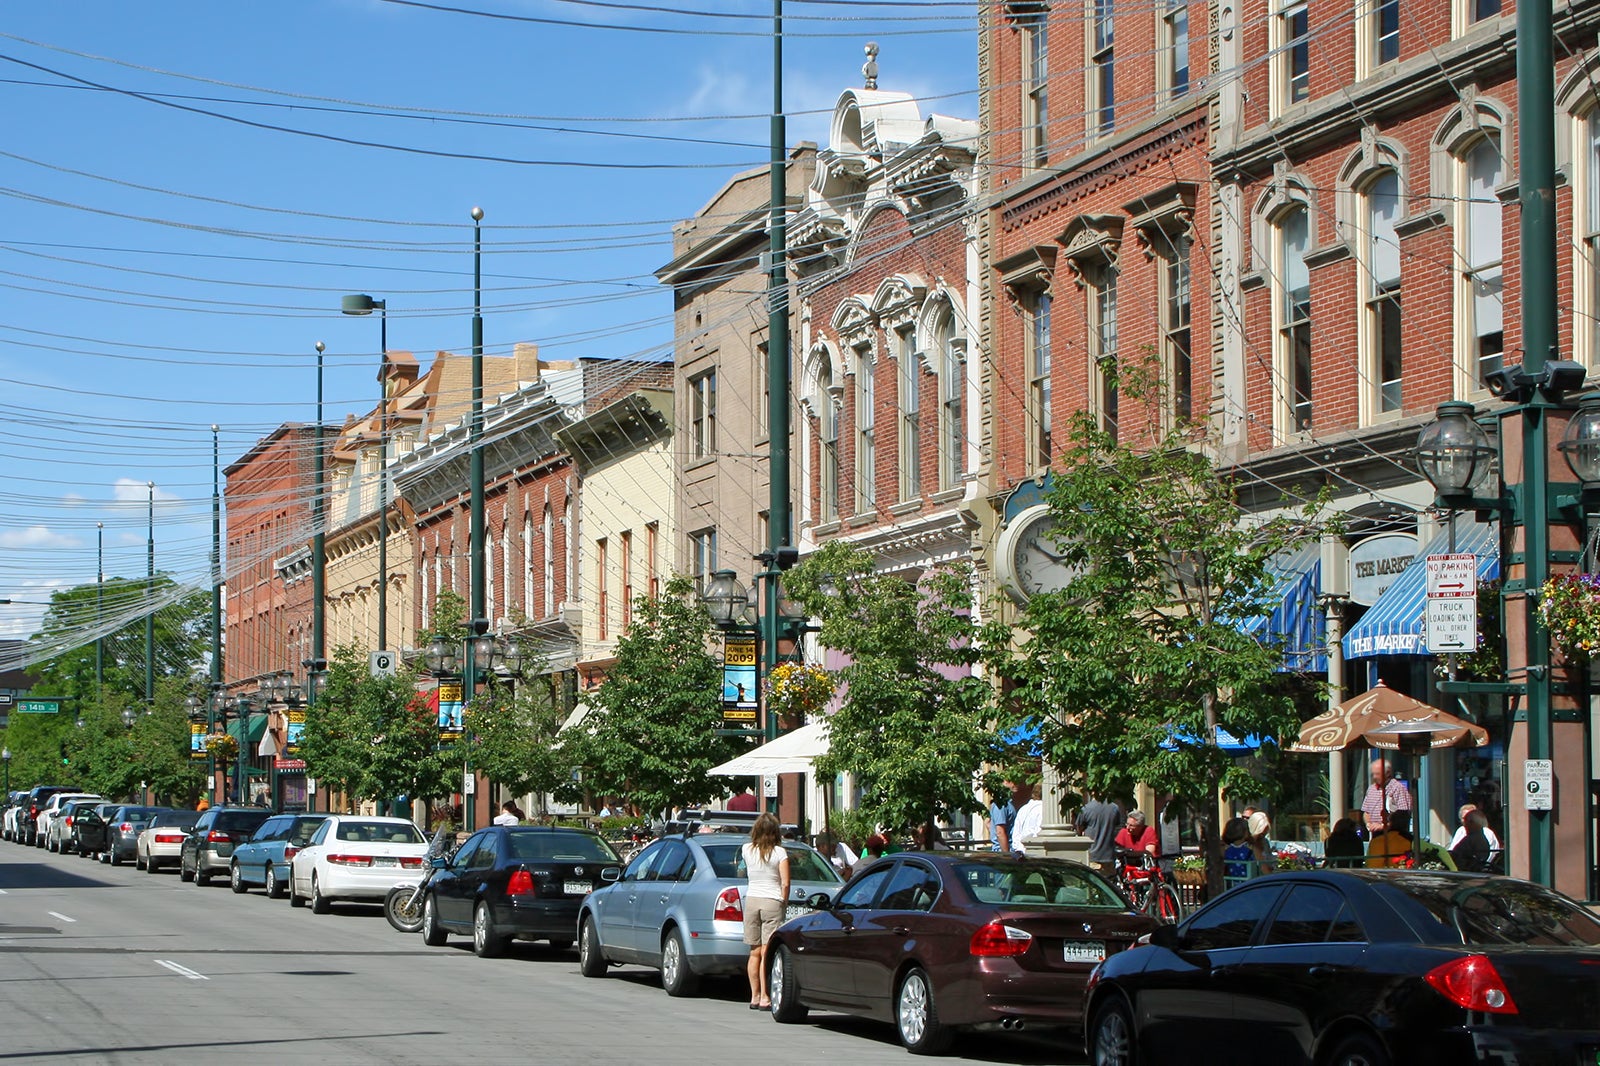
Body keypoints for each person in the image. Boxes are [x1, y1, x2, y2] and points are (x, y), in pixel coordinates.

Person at [741, 812, 790, 1011]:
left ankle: (754, 996)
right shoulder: (780, 853)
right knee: (767, 950)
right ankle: (765, 997)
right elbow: (785, 883)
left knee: (754, 952)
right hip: (772, 901)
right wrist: (784, 902)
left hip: (752, 900)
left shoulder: (747, 849)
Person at [1074, 793, 1123, 874]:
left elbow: (1079, 828)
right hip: (1109, 856)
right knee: (1108, 880)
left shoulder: (1086, 808)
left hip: (1092, 856)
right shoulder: (1114, 808)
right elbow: (1116, 826)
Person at [1361, 759, 1412, 836]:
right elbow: (1366, 812)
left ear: (1387, 773)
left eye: (1377, 774)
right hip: (1376, 836)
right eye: (1373, 774)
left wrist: (1383, 826)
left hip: (1394, 835)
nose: (1374, 777)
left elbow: (1403, 815)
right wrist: (1368, 824)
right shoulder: (1371, 789)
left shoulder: (1397, 788)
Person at [1451, 808, 1496, 872]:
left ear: (1473, 823)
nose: (1465, 826)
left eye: (1466, 822)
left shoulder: (1474, 839)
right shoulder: (1476, 837)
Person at [1012, 788, 1043, 855]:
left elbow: (1016, 832)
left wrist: (1018, 847)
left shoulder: (1023, 808)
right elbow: (1039, 832)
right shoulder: (1042, 809)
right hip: (1034, 851)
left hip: (1019, 851)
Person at [987, 783, 1017, 854]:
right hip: (1003, 850)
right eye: (1012, 781)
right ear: (1004, 783)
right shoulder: (1001, 805)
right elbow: (1000, 832)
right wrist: (1006, 855)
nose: (1016, 784)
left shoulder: (1007, 804)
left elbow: (988, 823)